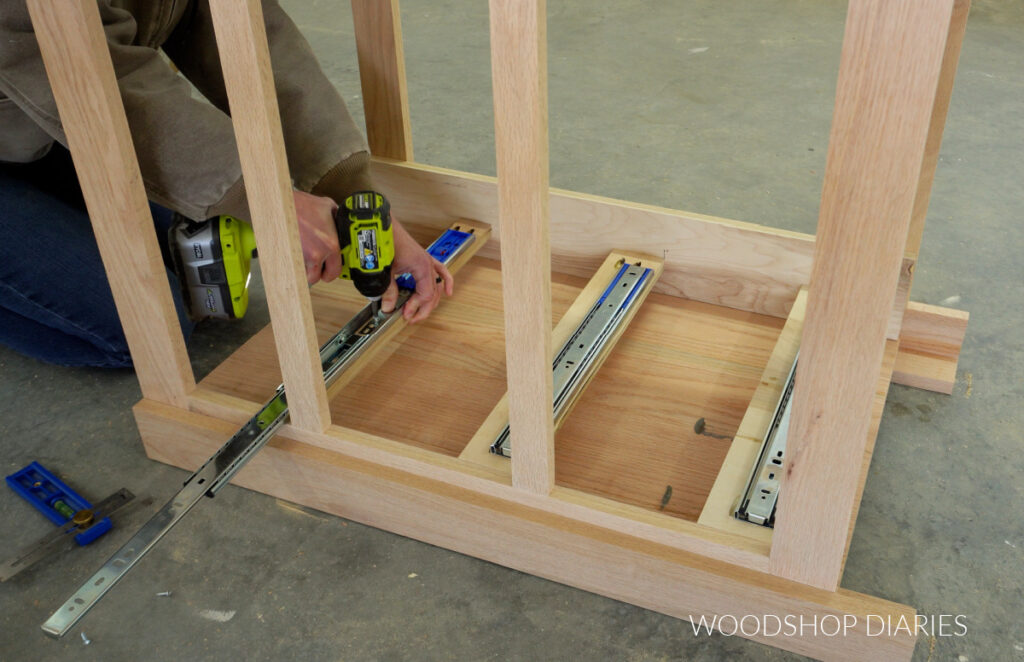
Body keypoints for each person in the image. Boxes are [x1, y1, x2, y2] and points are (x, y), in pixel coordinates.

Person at [0, 0, 452, 368]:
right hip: (48, 108)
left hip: (44, 132)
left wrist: (348, 188)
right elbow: (94, 78)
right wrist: (262, 197)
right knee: (144, 331)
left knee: (199, 268)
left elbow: (245, 35)